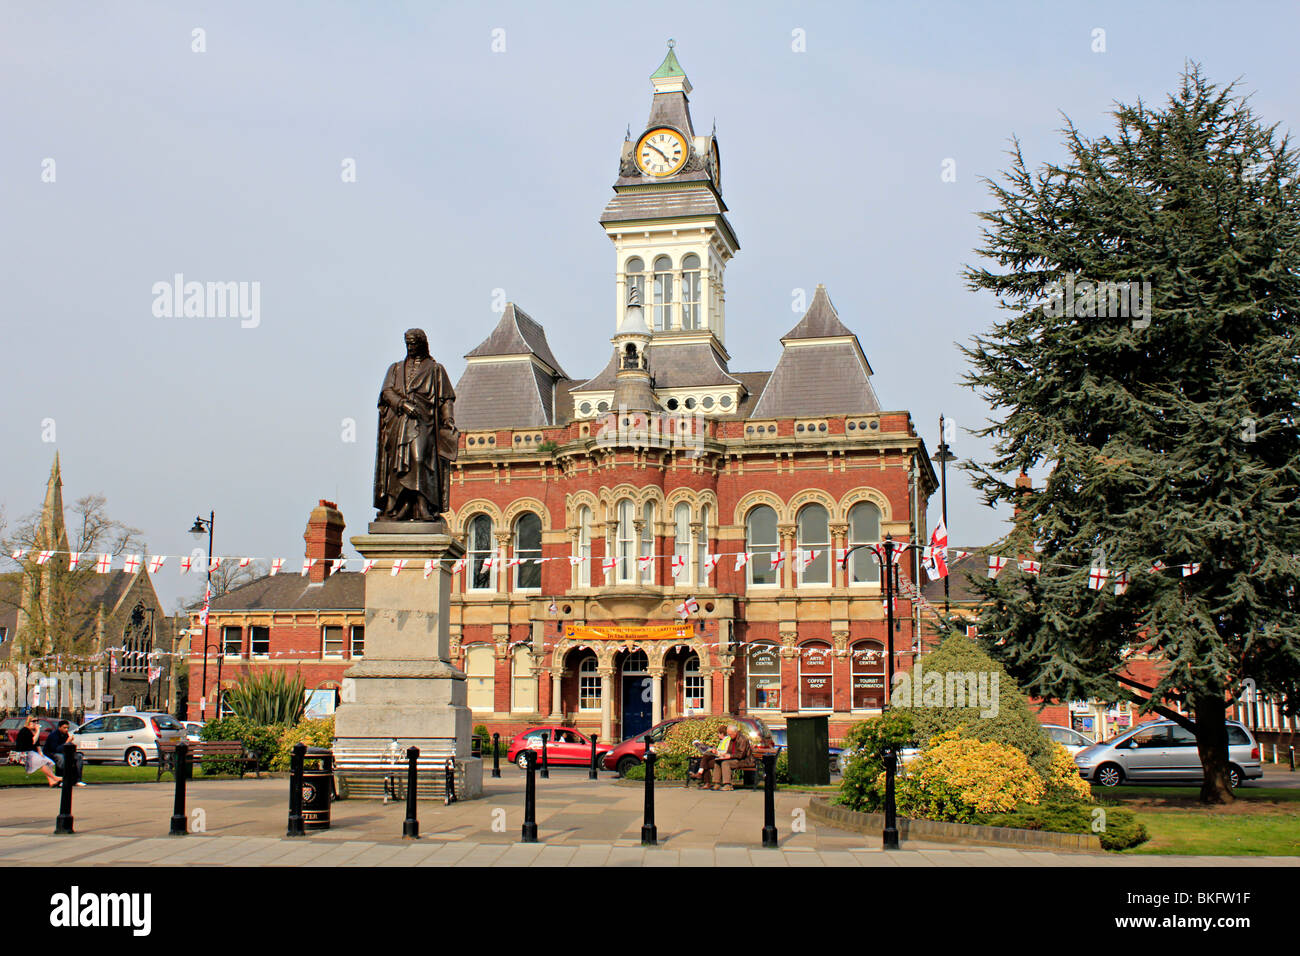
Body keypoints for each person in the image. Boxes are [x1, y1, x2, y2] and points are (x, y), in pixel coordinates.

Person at [13, 716, 61, 787]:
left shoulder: (34, 731)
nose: (35, 723)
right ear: (28, 722)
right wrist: (38, 731)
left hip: (32, 753)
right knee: (42, 762)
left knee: (48, 762)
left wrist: (40, 753)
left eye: (37, 721)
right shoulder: (25, 731)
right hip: (25, 754)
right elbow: (33, 741)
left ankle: (51, 781)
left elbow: (37, 744)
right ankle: (54, 777)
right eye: (33, 721)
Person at [711, 724, 754, 791]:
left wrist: (730, 756)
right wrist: (724, 755)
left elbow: (741, 754)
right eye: (728, 734)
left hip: (743, 760)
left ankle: (727, 784)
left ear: (735, 732)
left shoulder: (742, 739)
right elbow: (729, 751)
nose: (729, 736)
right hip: (734, 758)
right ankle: (717, 783)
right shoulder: (732, 739)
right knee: (718, 761)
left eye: (730, 734)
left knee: (725, 763)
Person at [42, 720, 85, 786]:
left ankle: (77, 780)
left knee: (78, 756)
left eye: (67, 728)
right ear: (59, 727)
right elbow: (56, 749)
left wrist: (71, 744)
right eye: (64, 728)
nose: (66, 729)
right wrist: (67, 742)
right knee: (61, 758)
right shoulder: (54, 735)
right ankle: (62, 779)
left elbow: (68, 748)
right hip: (51, 753)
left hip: (63, 753)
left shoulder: (65, 735)